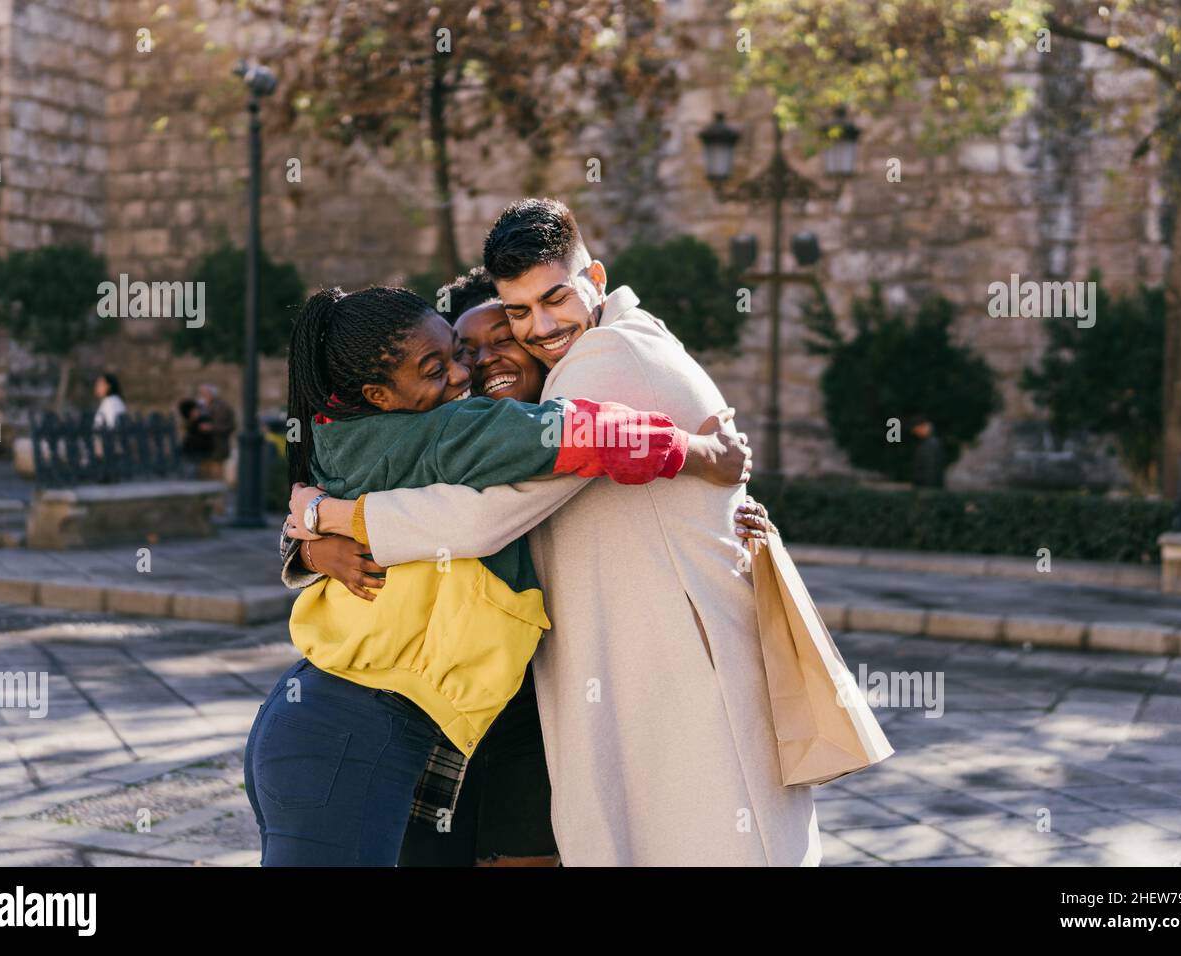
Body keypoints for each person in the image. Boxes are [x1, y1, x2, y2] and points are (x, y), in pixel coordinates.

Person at [293, 198, 819, 866]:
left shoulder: (604, 362)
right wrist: (307, 531)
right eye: (519, 312)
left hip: (670, 666)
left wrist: (334, 516)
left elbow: (486, 518)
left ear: (594, 277)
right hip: (600, 671)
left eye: (555, 299)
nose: (540, 327)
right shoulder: (561, 376)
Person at [196, 384, 235, 481]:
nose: (203, 395)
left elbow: (229, 426)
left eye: (205, 393)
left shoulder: (222, 407)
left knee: (216, 476)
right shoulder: (200, 406)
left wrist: (211, 428)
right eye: (201, 393)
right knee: (203, 475)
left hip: (217, 446)